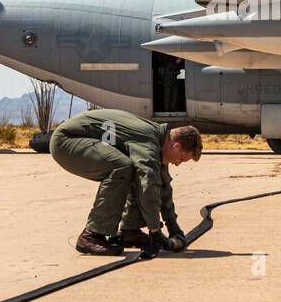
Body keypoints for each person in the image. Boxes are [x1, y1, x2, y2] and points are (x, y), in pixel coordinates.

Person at [49, 108, 201, 256]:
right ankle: (91, 235)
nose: (177, 163)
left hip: (83, 140)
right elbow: (148, 186)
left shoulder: (158, 143)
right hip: (66, 141)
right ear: (176, 145)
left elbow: (163, 186)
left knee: (136, 170)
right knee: (122, 167)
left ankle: (130, 231)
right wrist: (155, 231)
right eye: (181, 159)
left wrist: (173, 227)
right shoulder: (148, 142)